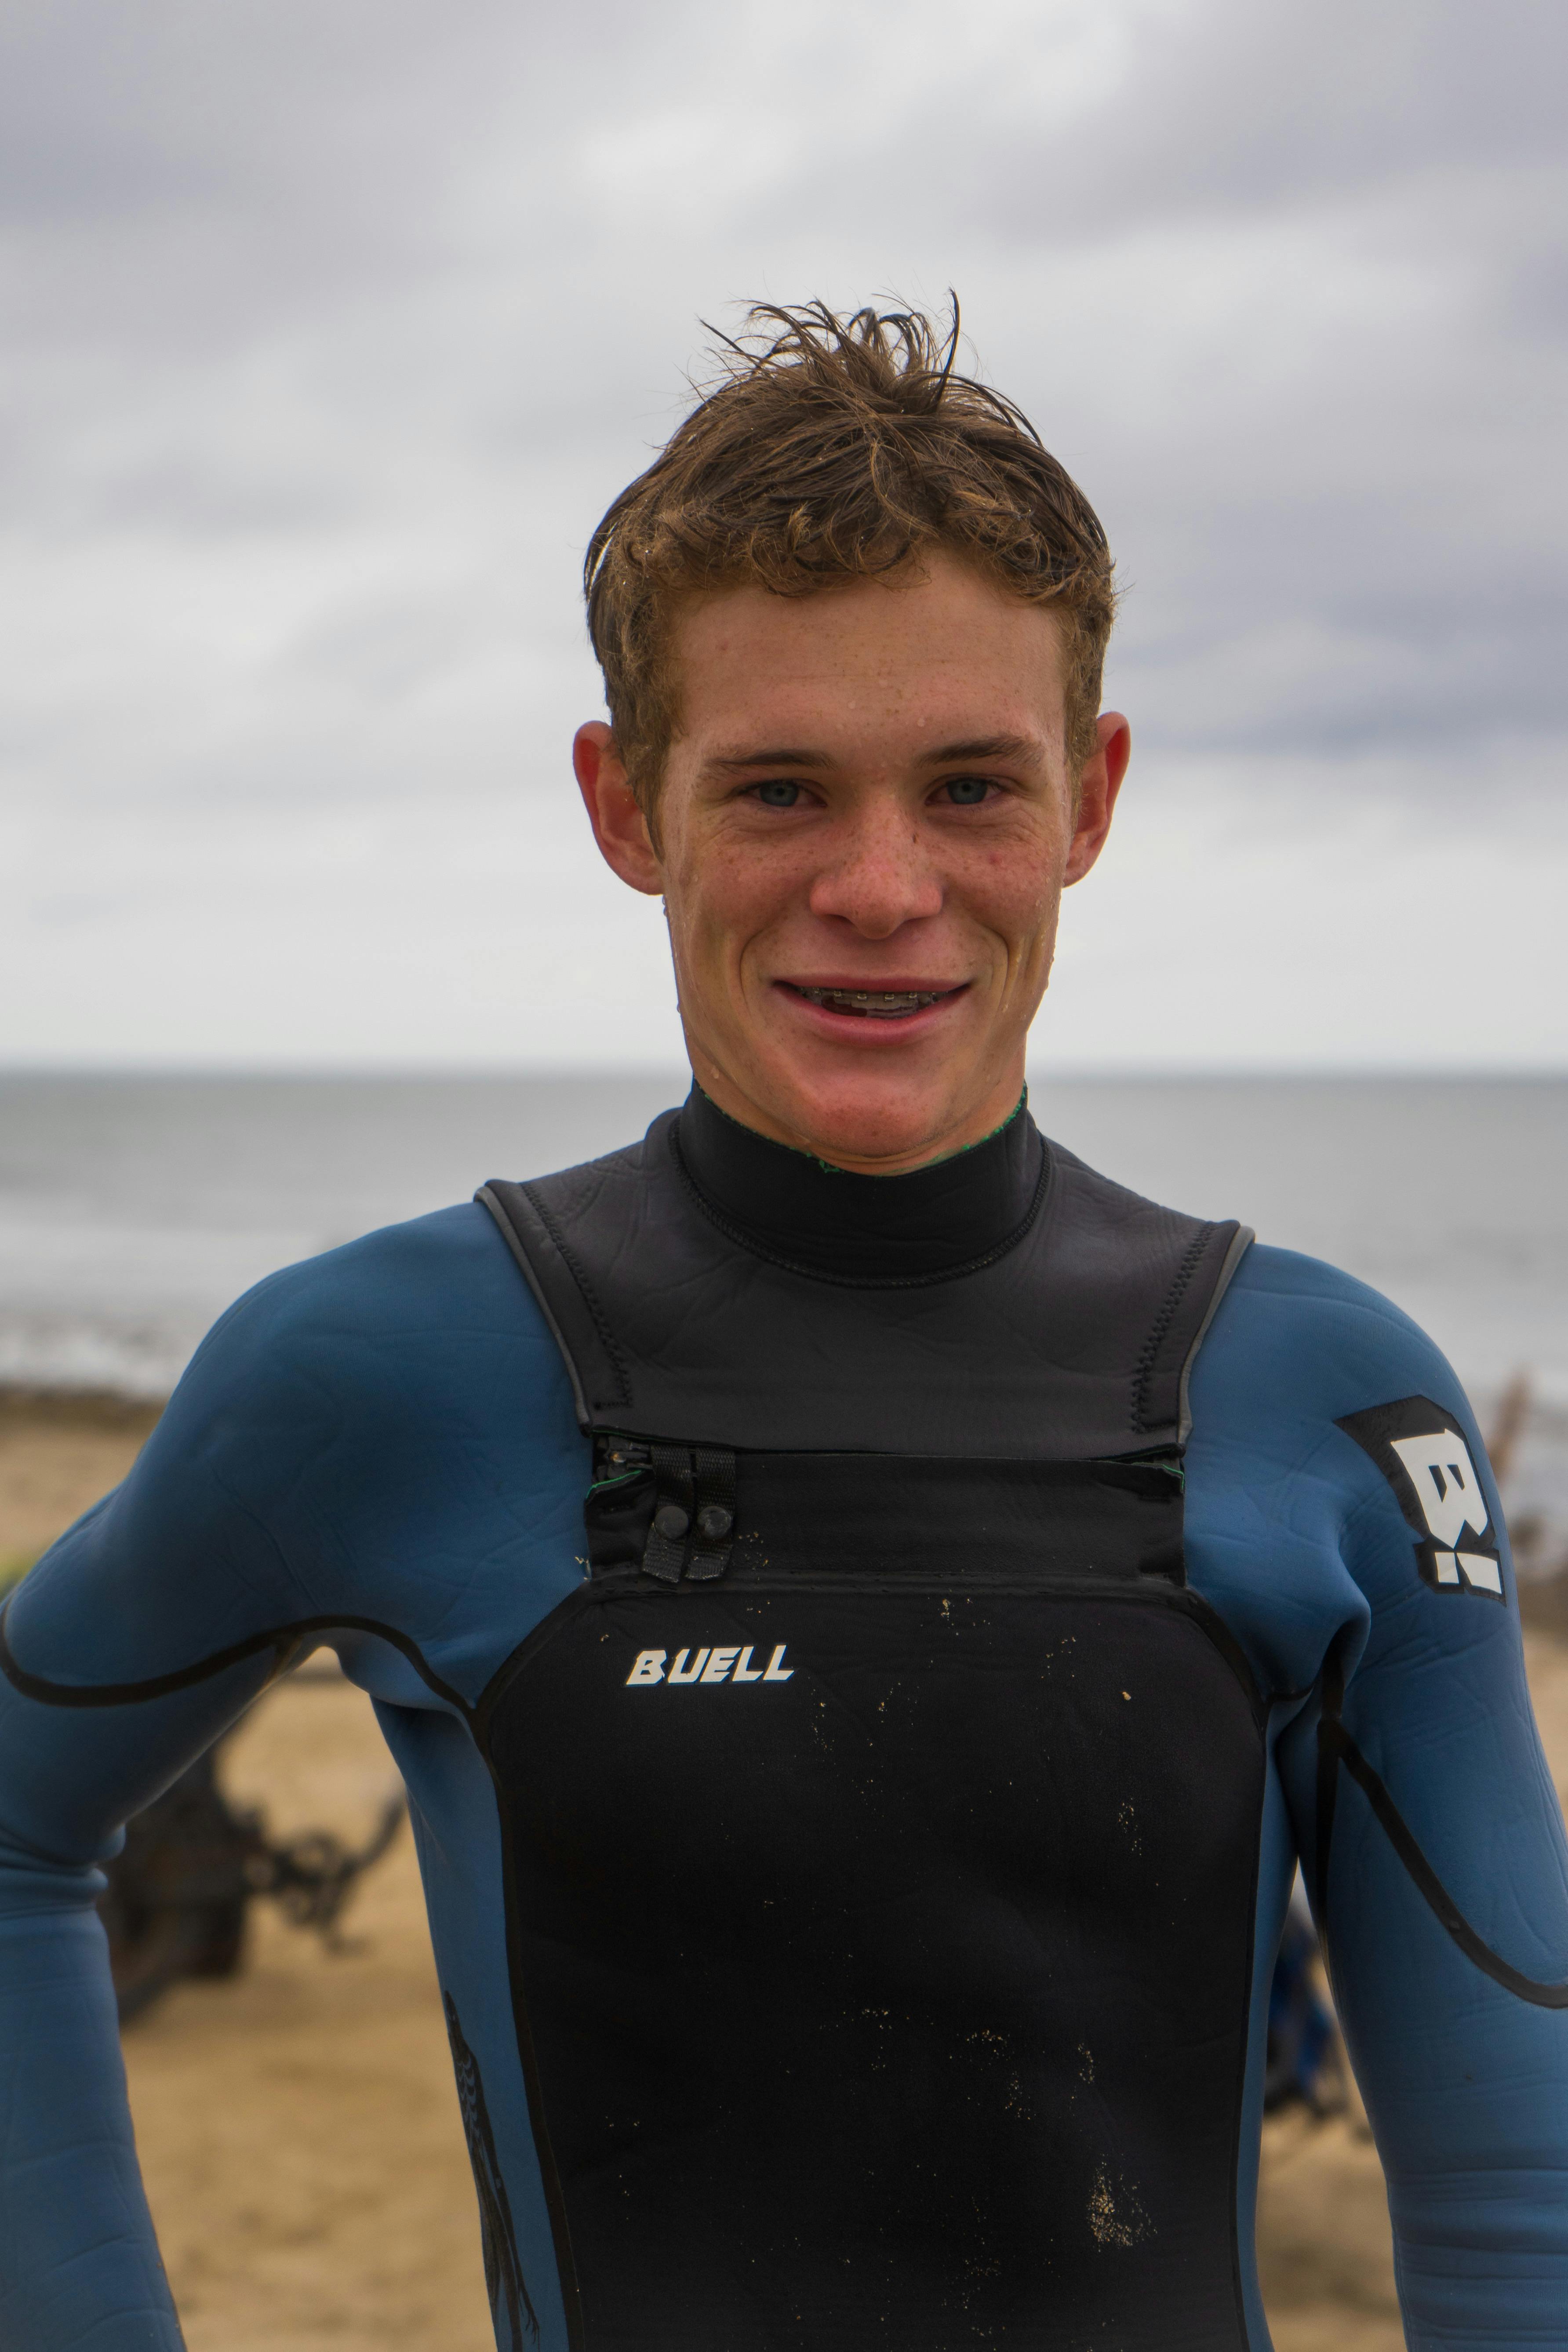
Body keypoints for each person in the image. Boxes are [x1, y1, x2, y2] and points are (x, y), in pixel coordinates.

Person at [2, 301, 1565, 2352]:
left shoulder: (1330, 1407)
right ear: (625, 806)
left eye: (970, 785)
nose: (883, 886)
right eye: (779, 791)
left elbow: (1521, 2206)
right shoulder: (378, 1377)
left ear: (1090, 799)